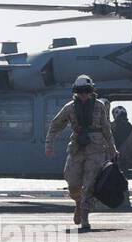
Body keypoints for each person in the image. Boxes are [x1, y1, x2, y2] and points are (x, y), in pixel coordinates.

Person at [45, 75, 117, 232]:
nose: (83, 94)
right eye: (80, 91)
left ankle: (84, 215)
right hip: (77, 146)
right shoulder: (70, 107)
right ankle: (77, 202)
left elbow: (106, 129)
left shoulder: (99, 107)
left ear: (91, 91)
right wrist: (49, 144)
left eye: (86, 91)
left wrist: (112, 148)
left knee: (90, 183)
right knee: (72, 180)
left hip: (96, 148)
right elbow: (56, 124)